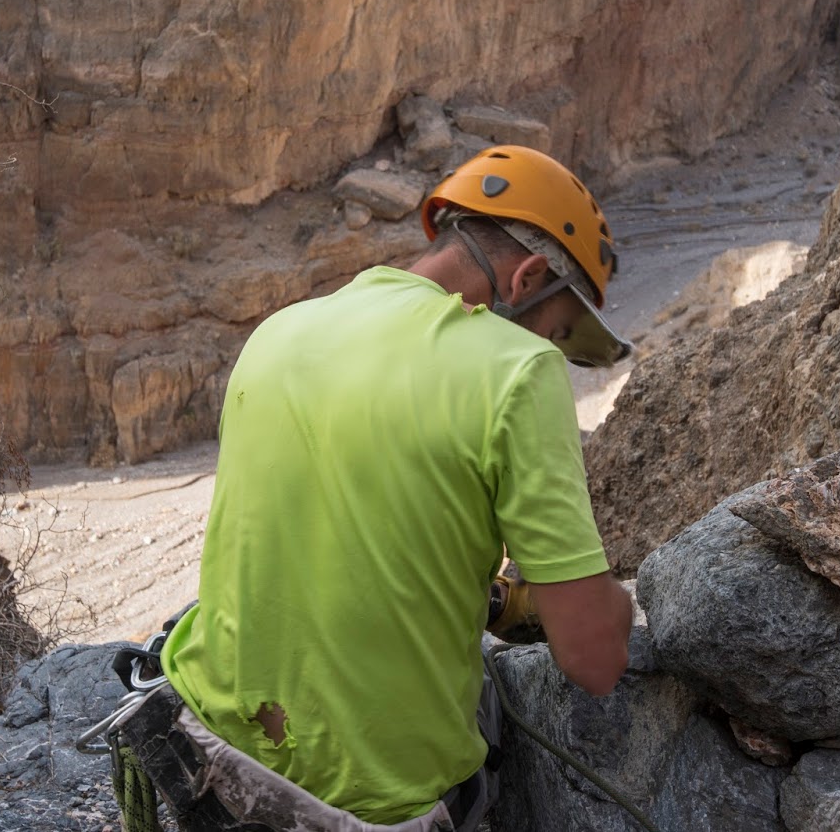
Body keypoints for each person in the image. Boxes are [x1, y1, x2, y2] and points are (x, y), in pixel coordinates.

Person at [144, 145, 634, 832]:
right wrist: (620, 607)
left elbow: (335, 524)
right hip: (374, 804)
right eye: (555, 330)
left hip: (205, 758)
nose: (550, 349)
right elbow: (594, 661)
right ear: (527, 279)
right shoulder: (517, 369)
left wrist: (487, 599)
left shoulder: (279, 331)